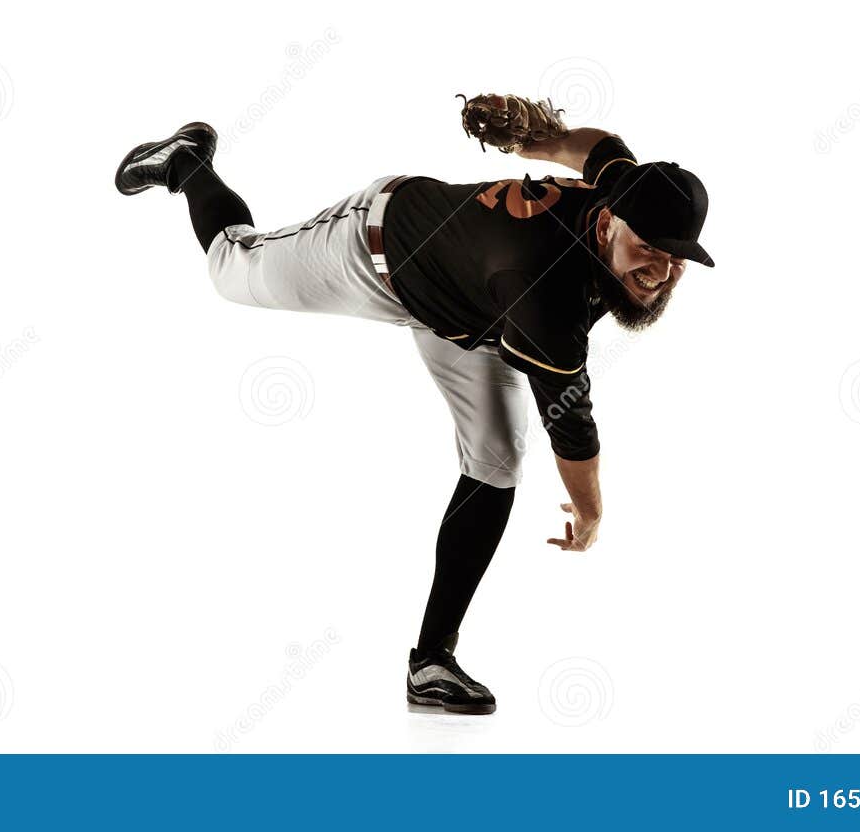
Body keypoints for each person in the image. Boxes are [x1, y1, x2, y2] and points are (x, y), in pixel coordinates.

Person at [114, 103, 713, 714]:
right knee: (229, 269)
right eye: (648, 249)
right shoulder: (544, 295)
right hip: (375, 247)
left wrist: (545, 140)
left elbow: (599, 147)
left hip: (473, 310)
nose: (661, 271)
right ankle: (189, 164)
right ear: (608, 221)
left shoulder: (626, 190)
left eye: (677, 257)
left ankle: (431, 663)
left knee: (496, 463)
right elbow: (572, 428)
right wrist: (589, 513)